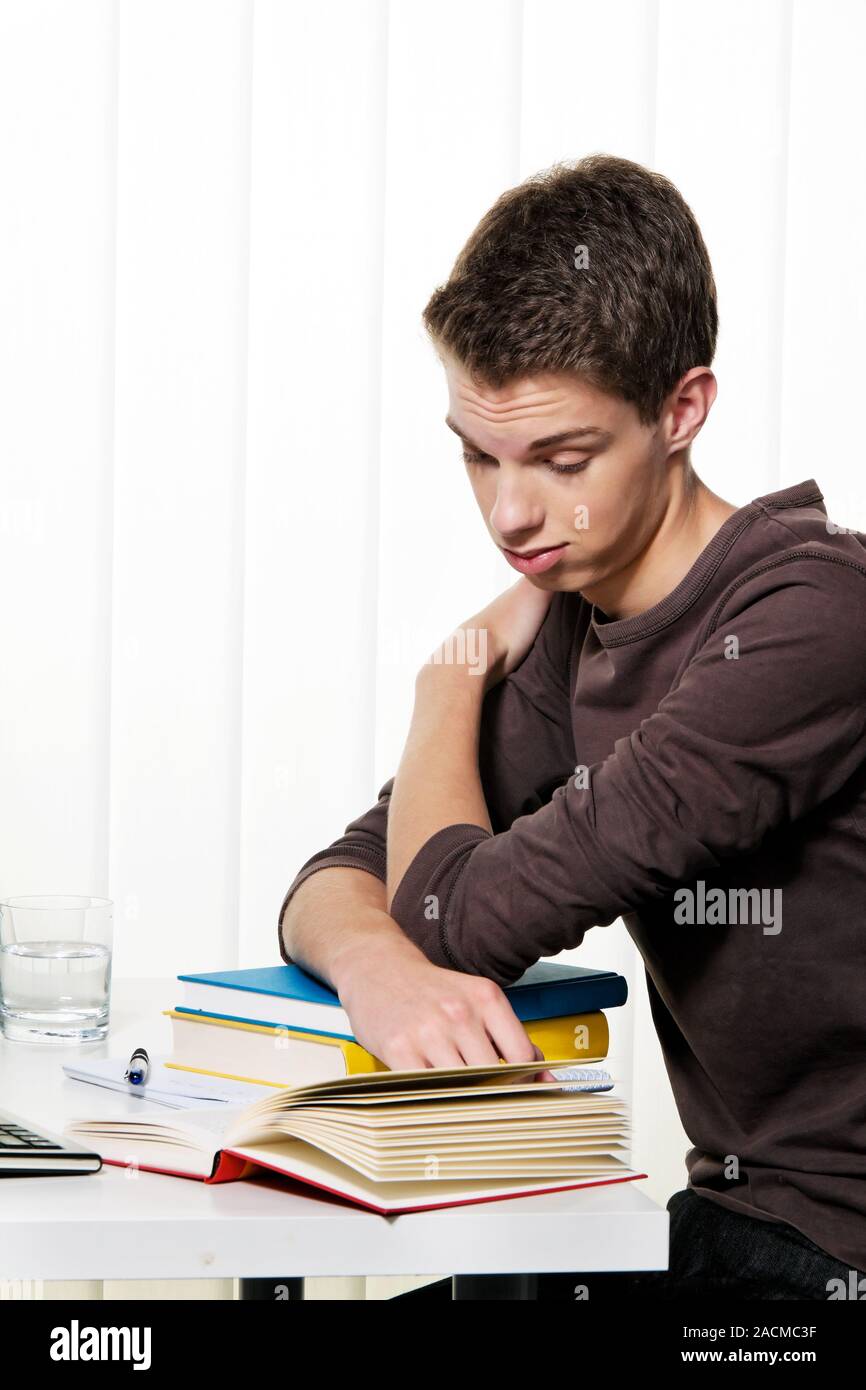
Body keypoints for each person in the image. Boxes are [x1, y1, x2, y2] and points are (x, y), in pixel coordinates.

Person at [278, 154, 866, 1299]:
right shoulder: (579, 630)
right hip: (729, 1236)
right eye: (476, 454)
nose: (508, 513)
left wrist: (443, 680)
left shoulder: (813, 621)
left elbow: (458, 910)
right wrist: (376, 973)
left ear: (681, 409)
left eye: (561, 459)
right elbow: (348, 872)